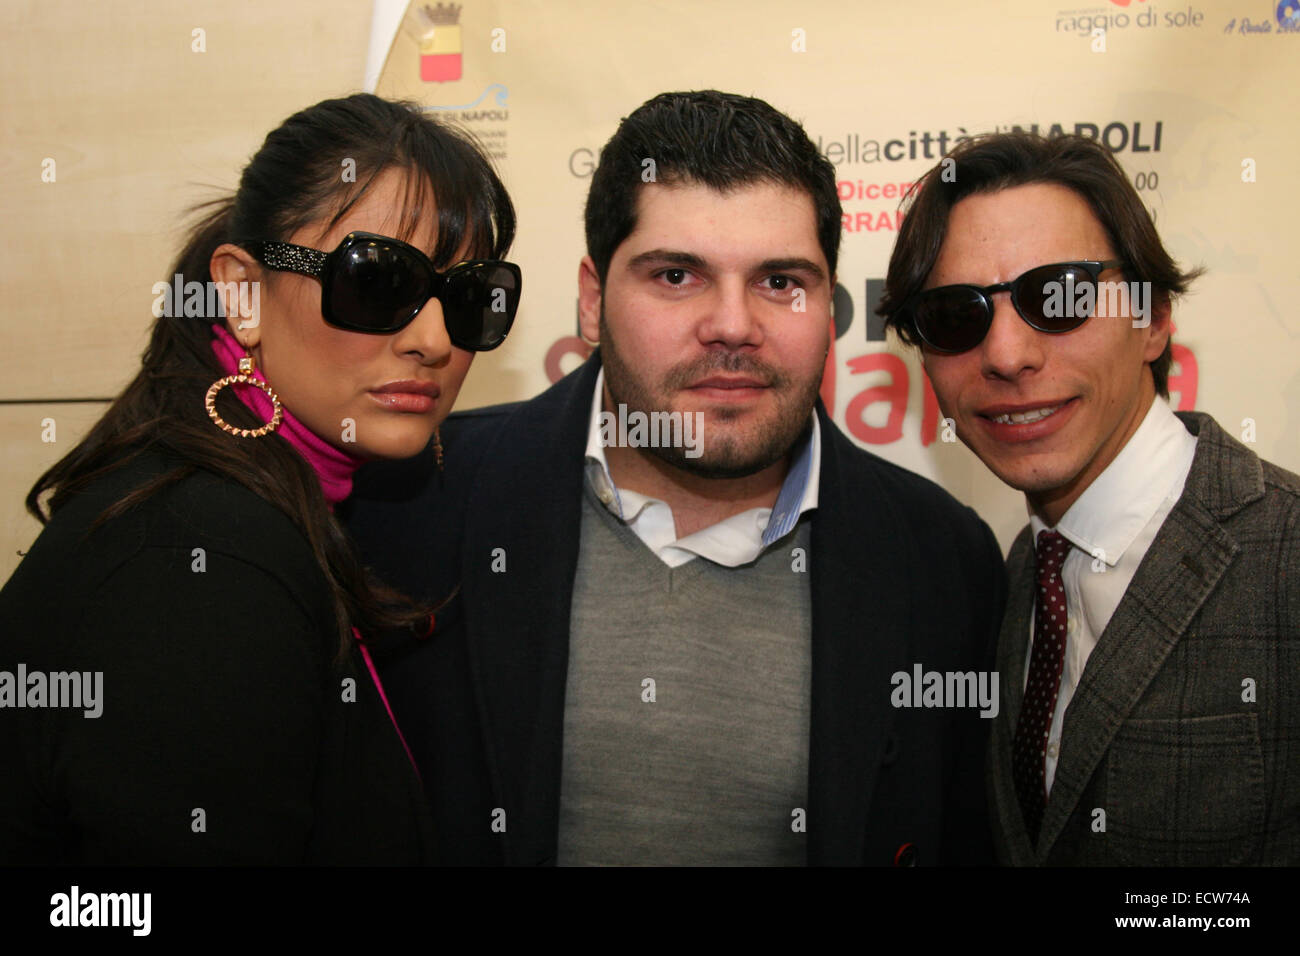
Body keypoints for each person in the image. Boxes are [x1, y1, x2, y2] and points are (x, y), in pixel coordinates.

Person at [344, 90, 1006, 866]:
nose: (733, 325)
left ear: (830, 305)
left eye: (780, 281)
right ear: (592, 301)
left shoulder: (944, 562)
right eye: (676, 276)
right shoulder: (408, 506)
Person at [0, 93, 520, 864]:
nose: (435, 341)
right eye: (376, 281)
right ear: (243, 292)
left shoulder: (259, 503)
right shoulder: (199, 560)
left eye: (470, 297)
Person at [879, 131, 1299, 865]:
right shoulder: (1006, 577)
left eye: (1060, 296)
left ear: (1155, 317)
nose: (1007, 354)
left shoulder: (1287, 560)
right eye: (955, 316)